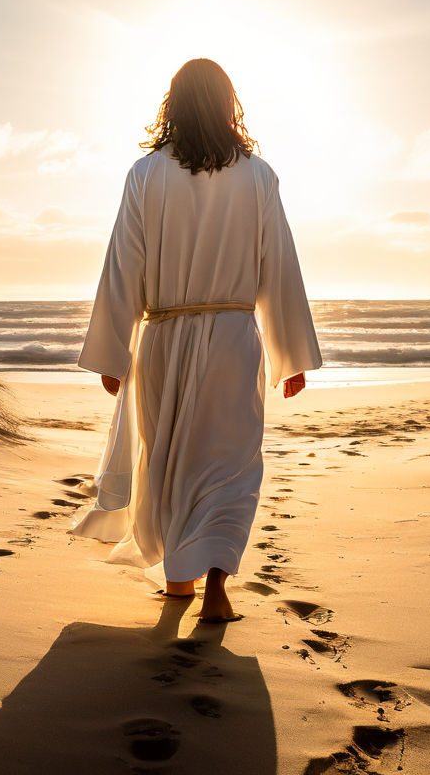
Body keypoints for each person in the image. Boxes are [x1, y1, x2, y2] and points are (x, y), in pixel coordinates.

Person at [70, 58, 322, 623]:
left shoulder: (146, 173)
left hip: (161, 337)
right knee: (228, 465)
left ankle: (178, 582)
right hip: (233, 339)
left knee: (169, 460)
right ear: (229, 103)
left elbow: (122, 267)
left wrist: (115, 350)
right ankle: (211, 589)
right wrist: (290, 356)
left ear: (173, 105)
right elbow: (278, 265)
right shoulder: (257, 175)